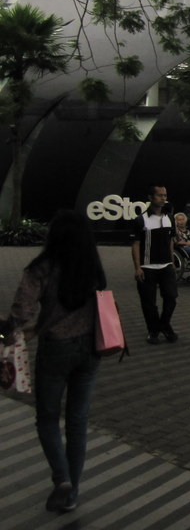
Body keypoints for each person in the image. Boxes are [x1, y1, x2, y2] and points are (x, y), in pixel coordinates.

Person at [1, 210, 107, 514]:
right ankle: (72, 492)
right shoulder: (92, 266)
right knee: (77, 421)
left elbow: (21, 310)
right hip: (91, 349)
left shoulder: (42, 267)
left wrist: (7, 329)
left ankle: (61, 478)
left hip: (56, 350)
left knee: (47, 417)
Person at [131, 185, 179, 343]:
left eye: (165, 195)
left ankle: (164, 325)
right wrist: (137, 267)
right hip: (147, 268)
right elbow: (136, 244)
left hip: (166, 266)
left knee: (171, 298)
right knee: (149, 303)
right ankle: (153, 331)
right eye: (159, 195)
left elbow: (171, 241)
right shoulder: (141, 219)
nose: (163, 198)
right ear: (150, 197)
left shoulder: (170, 218)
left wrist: (172, 262)